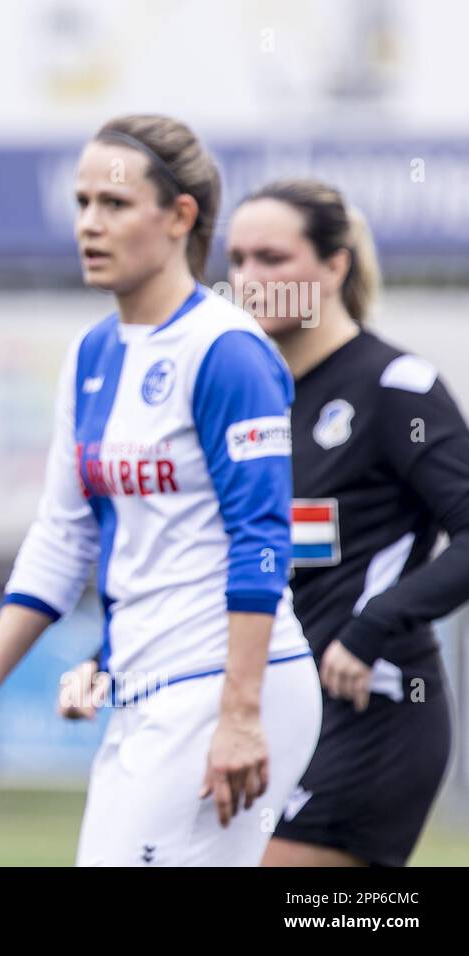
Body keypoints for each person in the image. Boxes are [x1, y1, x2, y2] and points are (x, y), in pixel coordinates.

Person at [0, 114, 321, 866]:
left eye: (114, 205)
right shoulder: (92, 353)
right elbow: (63, 537)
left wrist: (241, 714)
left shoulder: (227, 350)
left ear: (181, 216)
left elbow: (262, 538)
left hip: (229, 685)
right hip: (147, 687)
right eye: (82, 203)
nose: (89, 223)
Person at [227, 179, 466, 867]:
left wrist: (371, 629)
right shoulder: (250, 396)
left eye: (273, 258)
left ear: (335, 266)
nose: (249, 279)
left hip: (371, 714)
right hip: (265, 714)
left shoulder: (397, 389)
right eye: (237, 260)